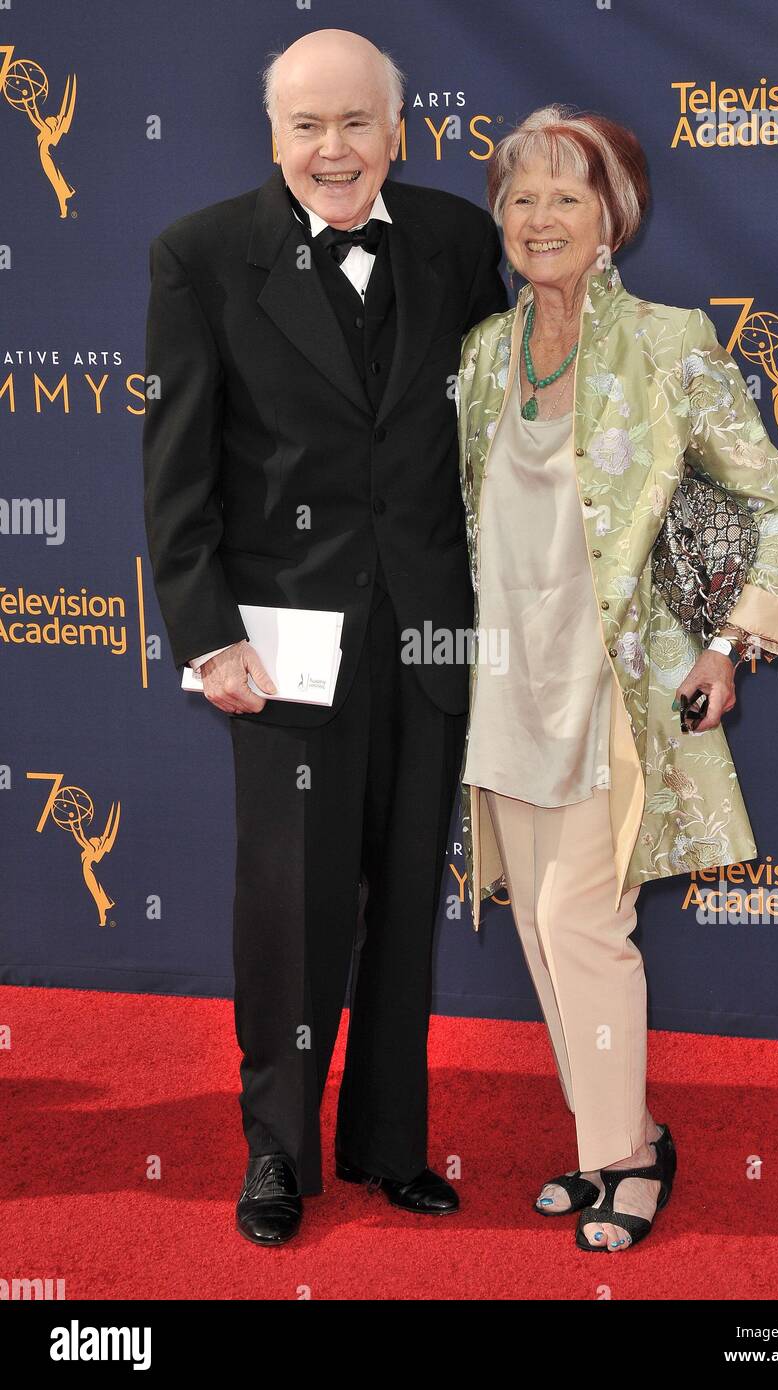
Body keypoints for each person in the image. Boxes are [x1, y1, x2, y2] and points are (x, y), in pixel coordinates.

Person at [142, 28, 507, 1245]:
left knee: (406, 897)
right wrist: (207, 636)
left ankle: (390, 1143)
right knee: (291, 907)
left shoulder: (459, 242)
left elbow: (496, 443)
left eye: (356, 123)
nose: (333, 150)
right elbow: (178, 471)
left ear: (398, 132)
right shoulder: (201, 256)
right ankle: (278, 1151)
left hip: (431, 634)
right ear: (274, 135)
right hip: (283, 645)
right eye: (308, 126)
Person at [455, 105, 778, 1251]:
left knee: (583, 922)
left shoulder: (668, 343)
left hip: (614, 692)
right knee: (540, 931)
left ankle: (623, 1160)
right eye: (520, 197)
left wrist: (733, 642)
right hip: (506, 689)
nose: (539, 217)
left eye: (566, 196)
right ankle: (614, 1135)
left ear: (612, 218)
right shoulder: (484, 353)